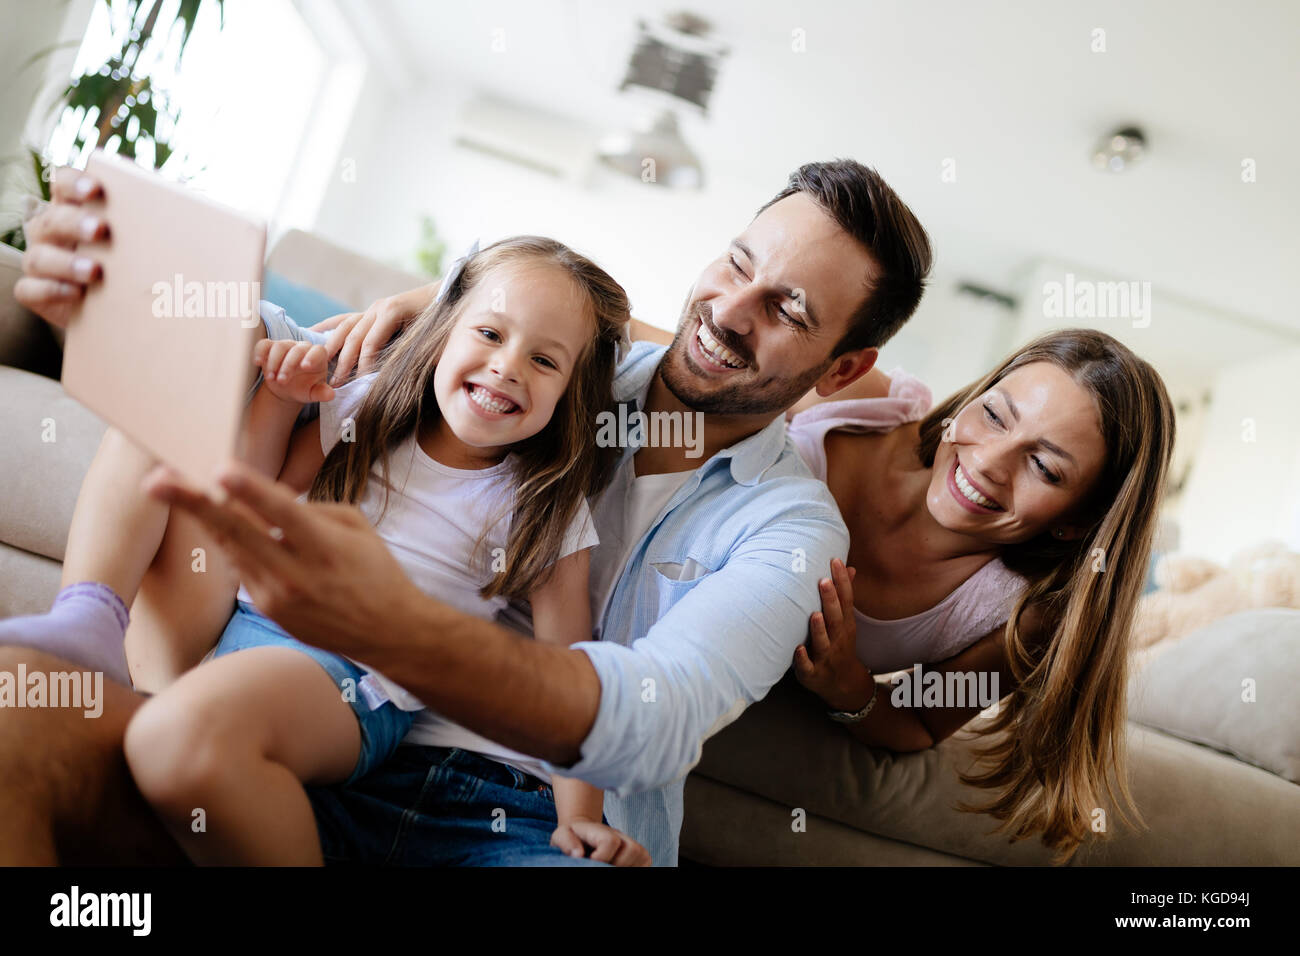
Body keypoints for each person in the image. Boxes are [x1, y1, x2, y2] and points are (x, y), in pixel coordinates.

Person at [1, 159, 932, 866]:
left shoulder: (791, 532)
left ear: (844, 370)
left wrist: (396, 629)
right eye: (736, 263)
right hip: (284, 739)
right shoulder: (554, 356)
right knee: (16, 718)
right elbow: (286, 363)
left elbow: (656, 711)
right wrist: (124, 283)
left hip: (524, 820)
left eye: (789, 308)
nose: (730, 309)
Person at [112, 236, 643, 865]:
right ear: (443, 331)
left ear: (569, 399)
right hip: (246, 639)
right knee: (157, 778)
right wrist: (281, 400)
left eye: (545, 362)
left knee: (178, 743)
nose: (508, 367)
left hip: (353, 685)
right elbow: (257, 500)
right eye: (491, 335)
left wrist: (580, 818)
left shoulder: (544, 505)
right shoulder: (367, 411)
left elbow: (566, 675)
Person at [777, 328, 1175, 861]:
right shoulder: (858, 401)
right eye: (994, 415)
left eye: (1044, 467)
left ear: (1078, 522)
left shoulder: (1023, 614)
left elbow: (919, 720)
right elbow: (662, 377)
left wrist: (846, 682)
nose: (989, 462)